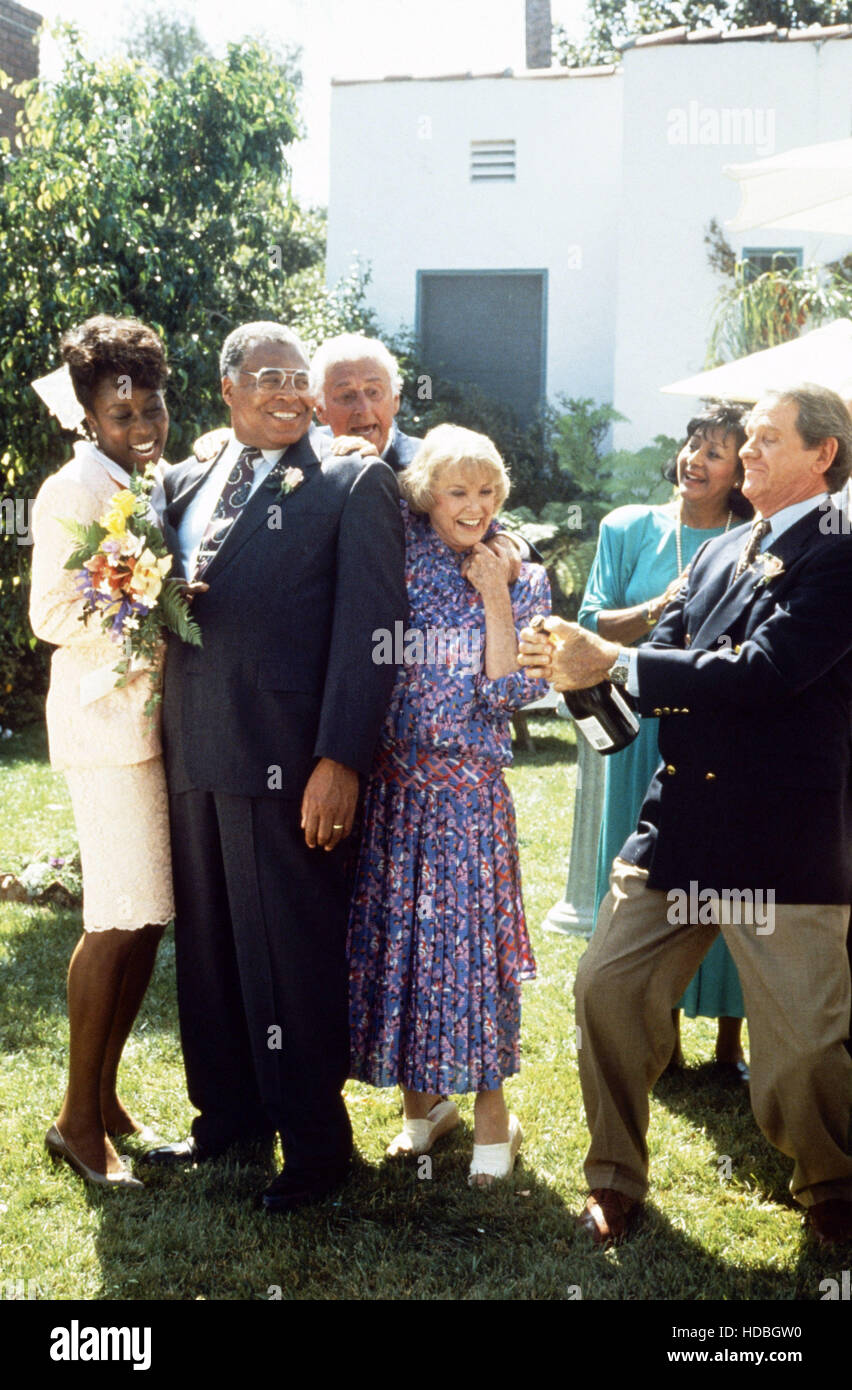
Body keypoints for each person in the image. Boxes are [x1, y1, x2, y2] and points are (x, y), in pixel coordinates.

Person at [520, 383, 852, 1246]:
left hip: (784, 840)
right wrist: (578, 676)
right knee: (607, 990)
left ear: (825, 454)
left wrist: (616, 661)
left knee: (809, 1048)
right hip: (682, 828)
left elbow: (763, 673)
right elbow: (655, 680)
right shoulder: (718, 554)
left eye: (768, 440)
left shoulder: (843, 550)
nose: (747, 453)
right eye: (746, 439)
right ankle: (614, 1180)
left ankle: (830, 1185)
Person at [145, 321, 407, 1214]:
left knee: (288, 950)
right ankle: (227, 1116)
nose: (292, 391)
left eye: (301, 377)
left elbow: (370, 639)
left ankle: (316, 1141)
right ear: (227, 388)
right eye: (269, 376)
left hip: (289, 763)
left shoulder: (351, 481)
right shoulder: (184, 480)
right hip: (195, 746)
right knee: (213, 943)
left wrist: (340, 759)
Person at [347, 424, 550, 1185]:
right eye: (458, 491)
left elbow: (509, 693)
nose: (475, 505)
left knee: (472, 955)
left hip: (468, 794)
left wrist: (495, 593)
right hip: (394, 788)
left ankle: (494, 1113)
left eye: (488, 490)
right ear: (427, 492)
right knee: (403, 950)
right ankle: (425, 1107)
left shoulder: (520, 571)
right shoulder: (396, 548)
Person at [29, 315, 175, 1189]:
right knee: (114, 918)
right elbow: (49, 615)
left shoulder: (152, 483)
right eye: (122, 415)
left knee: (148, 916)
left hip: (159, 731)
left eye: (150, 408)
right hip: (105, 729)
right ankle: (77, 1121)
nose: (141, 426)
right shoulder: (70, 491)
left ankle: (107, 1096)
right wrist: (142, 596)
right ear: (90, 415)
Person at [579, 404, 751, 1080]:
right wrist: (662, 604)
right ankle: (664, 1038)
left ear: (740, 470)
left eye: (715, 452)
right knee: (648, 884)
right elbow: (594, 624)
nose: (695, 460)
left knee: (731, 877)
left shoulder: (755, 536)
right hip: (639, 736)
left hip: (721, 738)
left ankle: (730, 1046)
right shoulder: (627, 528)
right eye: (692, 444)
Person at [310, 332, 419, 471]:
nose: (363, 408)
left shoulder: (427, 466)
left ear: (395, 400)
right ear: (320, 410)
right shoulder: (307, 458)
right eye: (347, 396)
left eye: (373, 392)